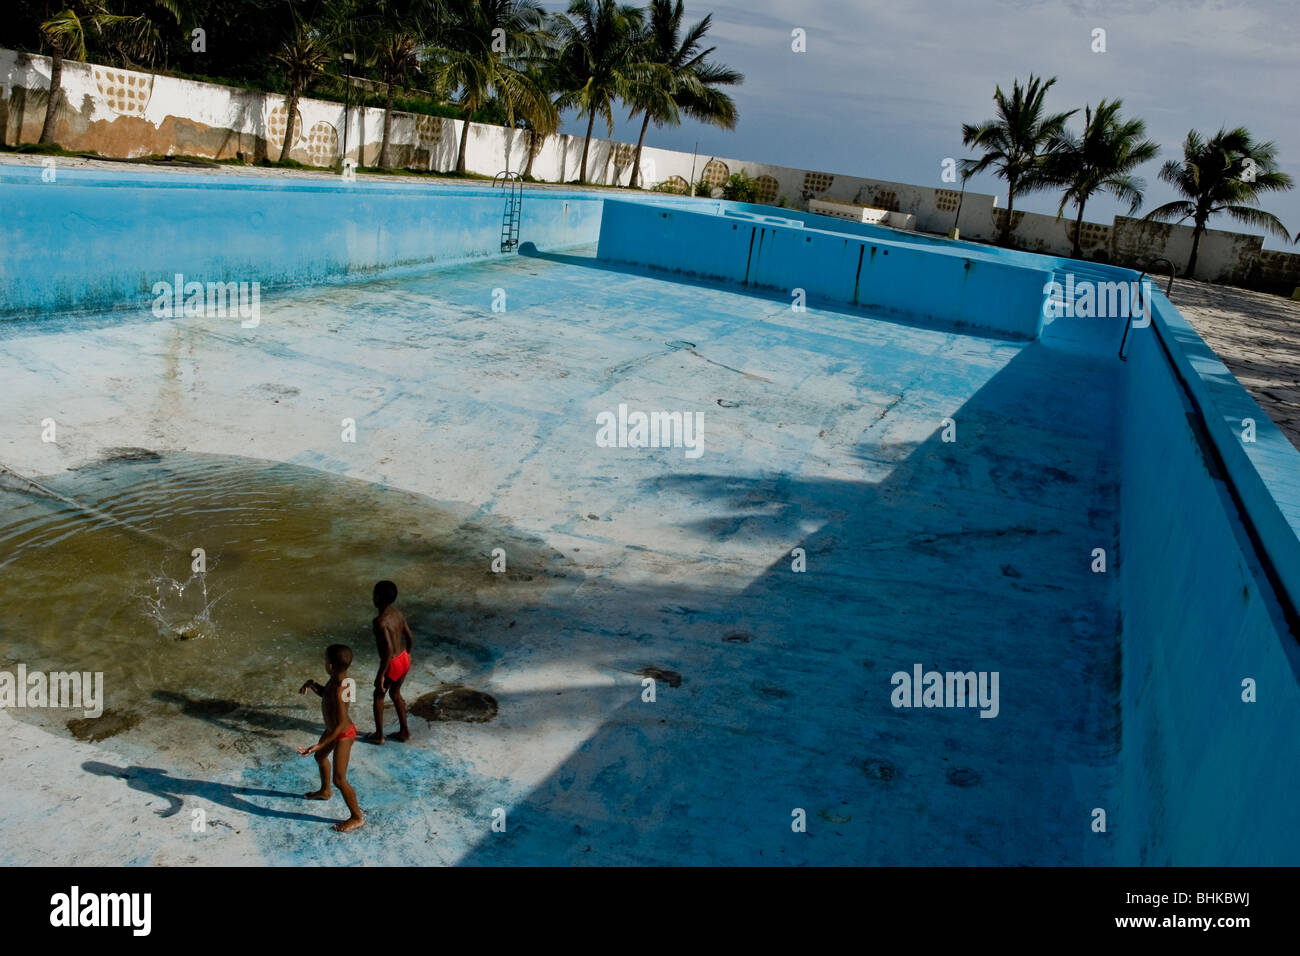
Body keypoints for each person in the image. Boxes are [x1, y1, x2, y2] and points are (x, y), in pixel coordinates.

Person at [298, 643, 364, 832]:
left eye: (325, 661)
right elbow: (329, 697)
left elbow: (341, 724)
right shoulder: (340, 680)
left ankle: (357, 817)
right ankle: (325, 792)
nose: (324, 664)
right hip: (333, 729)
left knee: (340, 779)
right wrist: (312, 685)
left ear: (331, 666)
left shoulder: (338, 688)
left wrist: (320, 744)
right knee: (320, 759)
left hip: (343, 734)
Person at [365, 579, 413, 744]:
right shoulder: (398, 614)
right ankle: (405, 732)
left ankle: (379, 735)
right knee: (395, 693)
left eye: (374, 594)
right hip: (404, 659)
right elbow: (409, 636)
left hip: (391, 662)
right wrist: (408, 653)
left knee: (378, 695)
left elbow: (388, 650)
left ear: (378, 597)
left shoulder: (379, 621)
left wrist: (380, 675)